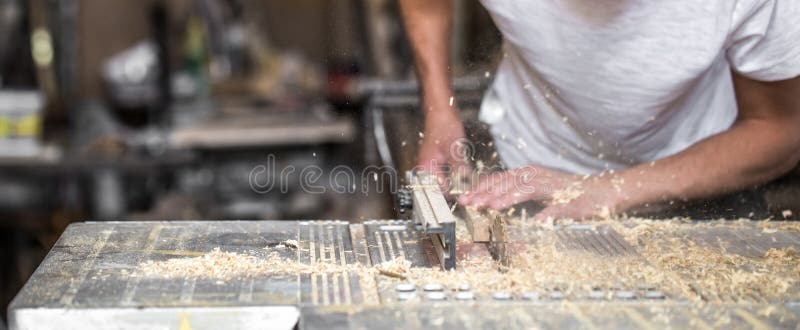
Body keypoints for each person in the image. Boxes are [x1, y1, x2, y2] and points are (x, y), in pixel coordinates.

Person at [398, 0, 800, 220]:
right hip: (522, 162)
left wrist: (606, 188)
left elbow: (779, 129)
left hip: (700, 180)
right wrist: (438, 109)